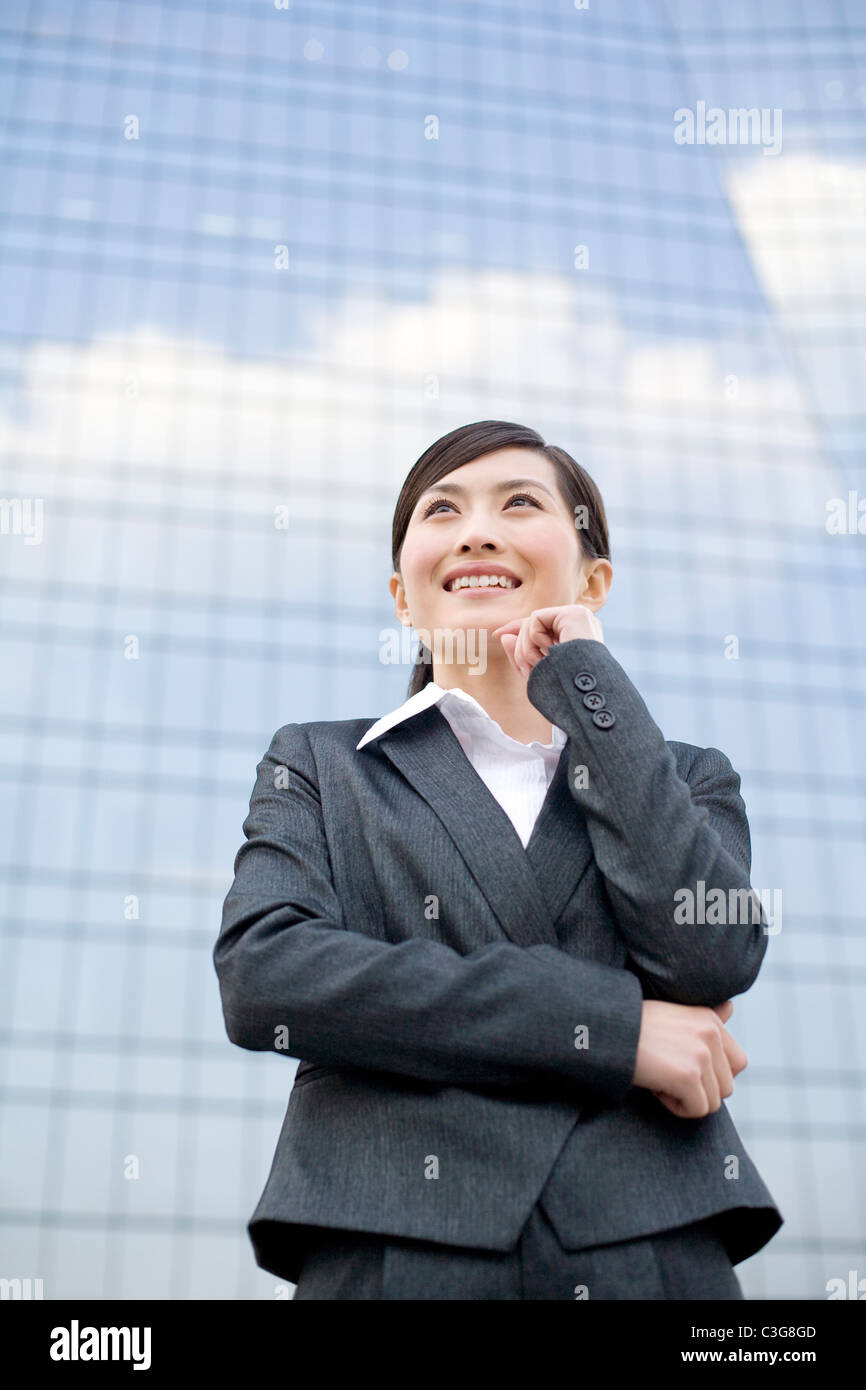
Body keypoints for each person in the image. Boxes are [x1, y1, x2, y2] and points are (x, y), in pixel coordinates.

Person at [214, 419, 784, 1300]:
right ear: (403, 595)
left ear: (594, 578)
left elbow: (708, 955)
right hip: (393, 1239)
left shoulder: (683, 776)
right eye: (442, 510)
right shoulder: (321, 767)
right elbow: (266, 975)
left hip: (649, 1245)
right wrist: (615, 1028)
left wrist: (588, 680)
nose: (478, 530)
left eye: (520, 503)